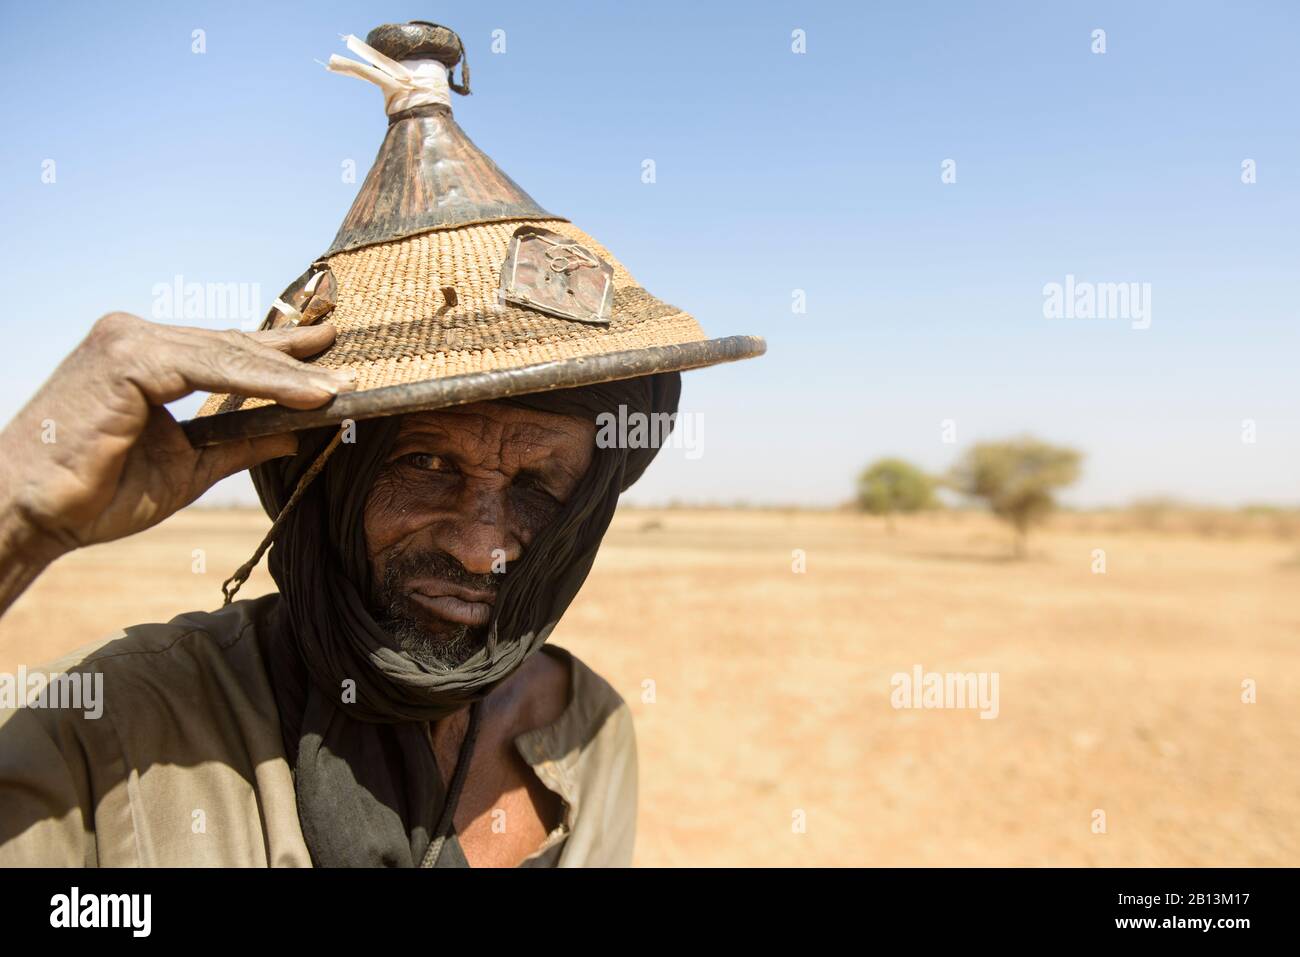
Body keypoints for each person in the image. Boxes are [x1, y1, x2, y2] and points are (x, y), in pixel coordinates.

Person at [0, 21, 763, 867]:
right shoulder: (116, 724)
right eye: (427, 464)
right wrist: (19, 512)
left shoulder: (588, 732)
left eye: (543, 482)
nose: (482, 550)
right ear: (319, 476)